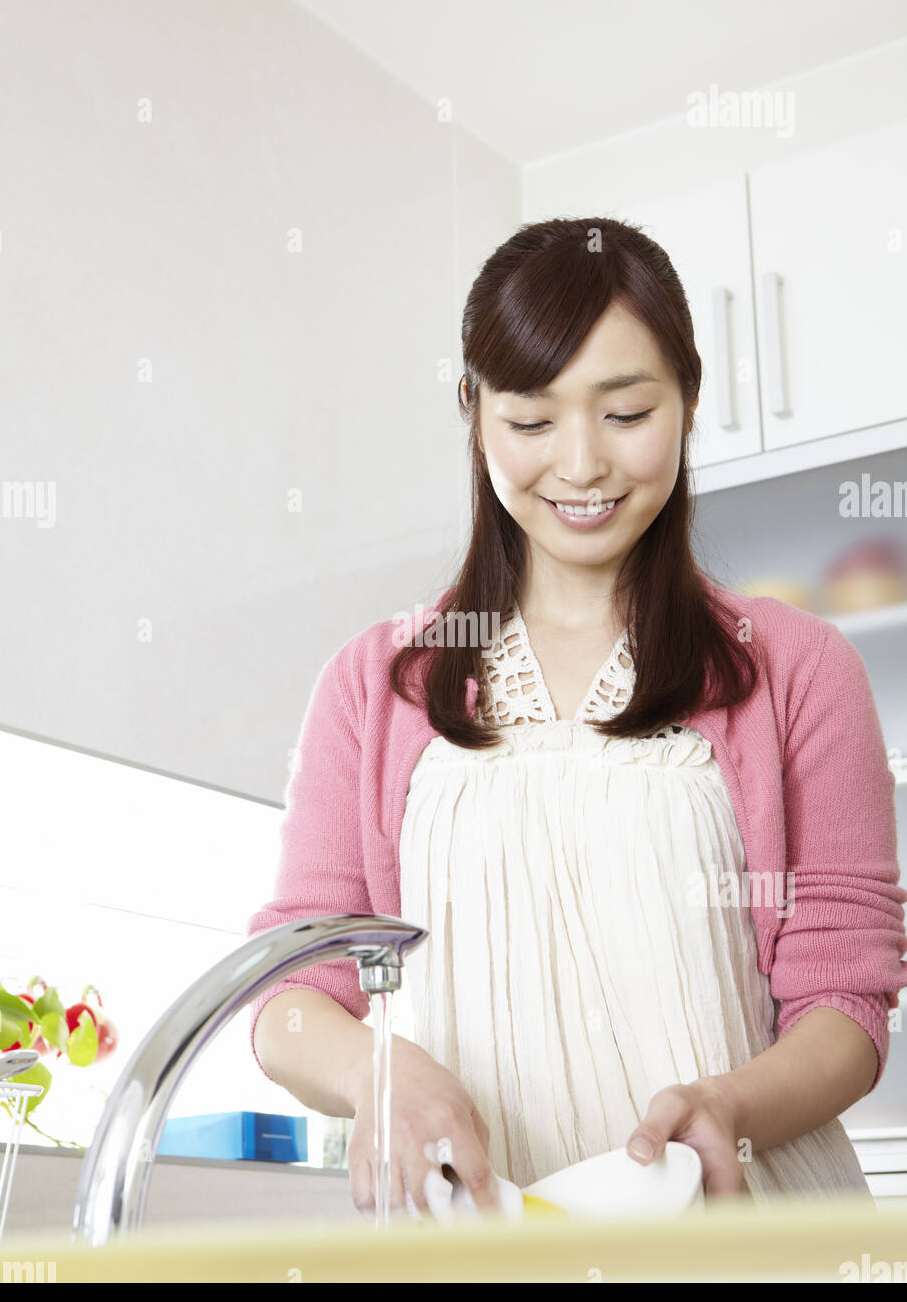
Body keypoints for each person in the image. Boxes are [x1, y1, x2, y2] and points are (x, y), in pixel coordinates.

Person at [249, 217, 907, 1217]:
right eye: (531, 420)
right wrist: (373, 1070)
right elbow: (292, 990)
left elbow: (846, 1003)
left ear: (688, 398)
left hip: (755, 1235)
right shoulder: (372, 686)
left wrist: (727, 1106)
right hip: (499, 1247)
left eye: (626, 410)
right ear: (473, 415)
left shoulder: (798, 669)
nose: (582, 463)